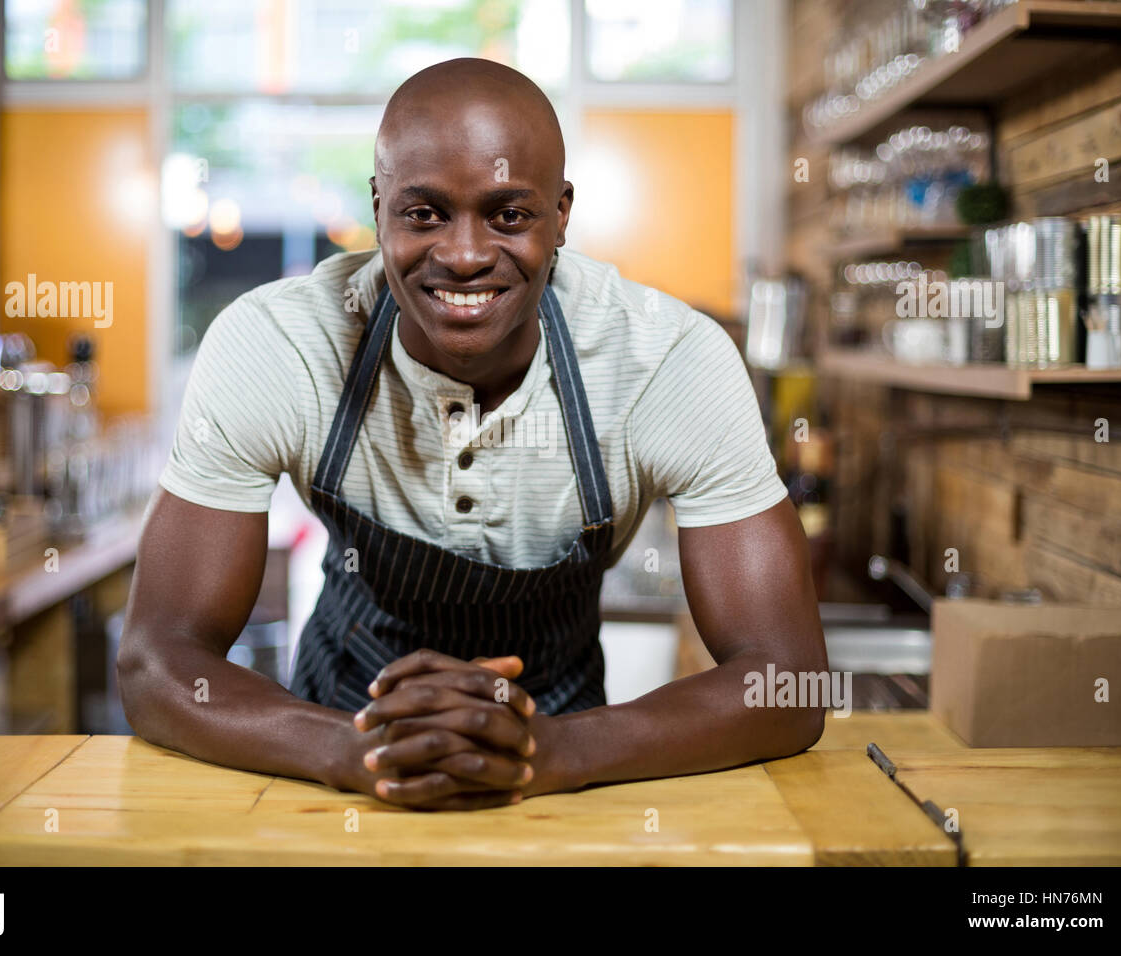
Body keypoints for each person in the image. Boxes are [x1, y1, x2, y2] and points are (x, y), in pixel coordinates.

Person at [119, 58, 827, 811]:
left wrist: (559, 751)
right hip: (330, 761)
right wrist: (350, 749)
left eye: (508, 215)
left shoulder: (666, 359)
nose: (462, 255)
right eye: (423, 213)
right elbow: (155, 660)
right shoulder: (278, 343)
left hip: (565, 770)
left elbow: (788, 680)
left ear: (561, 214)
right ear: (379, 207)